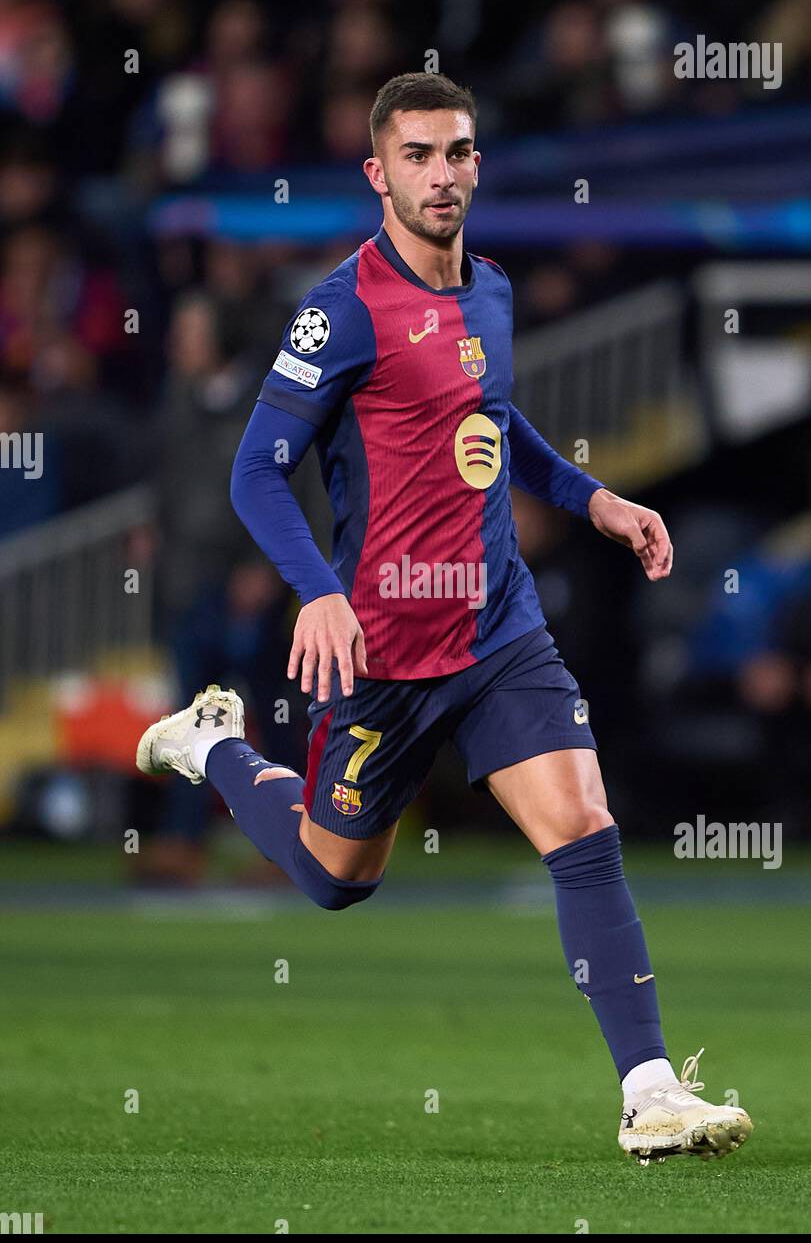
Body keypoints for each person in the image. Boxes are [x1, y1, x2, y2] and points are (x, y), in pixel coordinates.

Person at [137, 72, 752, 1164]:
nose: (440, 174)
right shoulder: (340, 309)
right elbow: (254, 474)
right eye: (416, 155)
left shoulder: (493, 292)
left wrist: (592, 496)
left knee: (584, 828)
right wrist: (321, 592)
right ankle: (215, 744)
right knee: (337, 879)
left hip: (496, 626)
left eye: (457, 152)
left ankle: (647, 1091)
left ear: (477, 165)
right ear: (378, 173)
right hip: (382, 645)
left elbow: (493, 422)